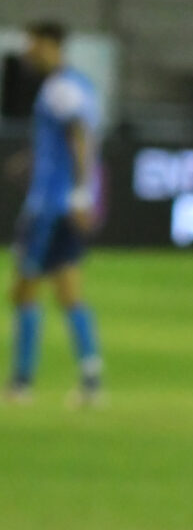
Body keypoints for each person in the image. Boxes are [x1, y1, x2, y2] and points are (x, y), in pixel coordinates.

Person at [7, 21, 102, 405]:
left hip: (49, 206)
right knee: (69, 293)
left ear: (51, 45)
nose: (29, 53)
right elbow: (70, 142)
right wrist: (31, 160)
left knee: (24, 291)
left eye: (34, 44)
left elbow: (80, 137)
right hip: (62, 201)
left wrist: (80, 194)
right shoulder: (80, 84)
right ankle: (91, 381)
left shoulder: (60, 88)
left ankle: (21, 383)